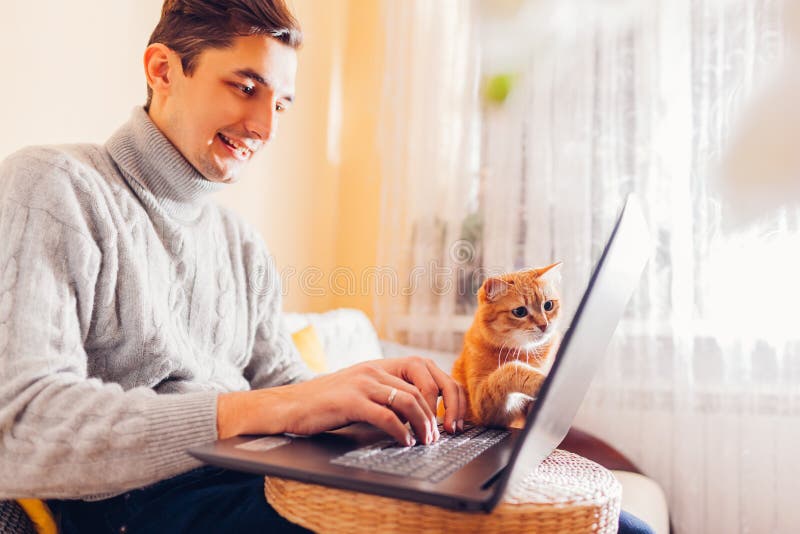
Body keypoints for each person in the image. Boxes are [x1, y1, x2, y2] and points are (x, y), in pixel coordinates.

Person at [0, 1, 652, 532]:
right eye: (245, 87)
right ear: (163, 70)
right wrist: (276, 406)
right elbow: (21, 427)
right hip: (137, 506)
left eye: (281, 103)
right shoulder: (56, 187)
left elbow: (284, 386)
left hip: (252, 479)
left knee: (615, 527)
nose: (265, 125)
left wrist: (366, 396)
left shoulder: (239, 243)